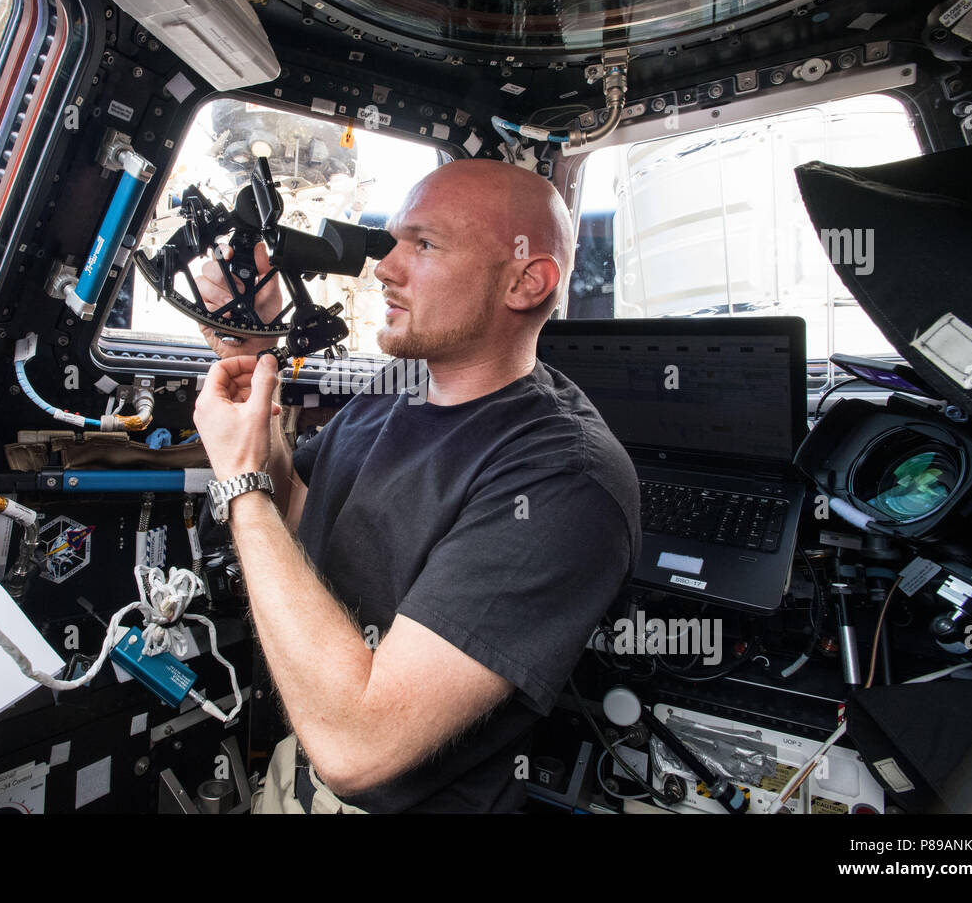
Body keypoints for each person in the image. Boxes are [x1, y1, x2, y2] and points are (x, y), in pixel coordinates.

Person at [192, 158, 640, 812]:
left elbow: (358, 748)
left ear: (526, 281)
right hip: (300, 770)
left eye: (424, 245)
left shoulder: (564, 481)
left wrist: (241, 488)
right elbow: (299, 516)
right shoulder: (399, 390)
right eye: (393, 241)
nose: (384, 269)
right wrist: (247, 354)